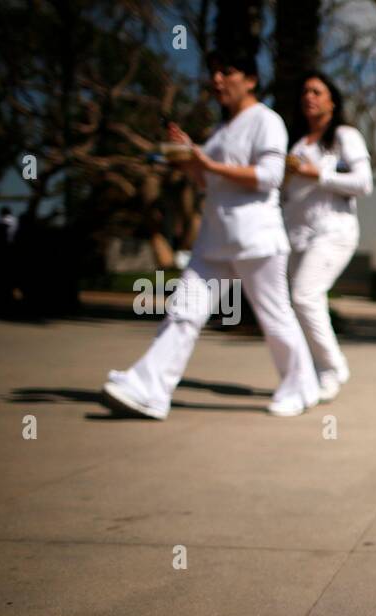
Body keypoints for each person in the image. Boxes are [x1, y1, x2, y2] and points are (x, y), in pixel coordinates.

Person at [102, 51, 318, 419]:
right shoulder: (220, 132)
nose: (217, 79)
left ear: (250, 79)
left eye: (227, 71)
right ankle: (149, 388)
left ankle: (301, 387)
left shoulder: (267, 121)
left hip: (257, 239)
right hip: (213, 240)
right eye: (214, 72)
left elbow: (268, 176)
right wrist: (189, 158)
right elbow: (209, 181)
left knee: (275, 317)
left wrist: (206, 162)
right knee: (183, 312)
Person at [282, 70, 372, 403]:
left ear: (332, 101)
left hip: (333, 231)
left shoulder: (344, 136)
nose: (309, 97)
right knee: (301, 302)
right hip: (296, 235)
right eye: (305, 91)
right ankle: (313, 373)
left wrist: (316, 173)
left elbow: (364, 183)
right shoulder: (296, 145)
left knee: (305, 296)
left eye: (317, 92)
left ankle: (333, 368)